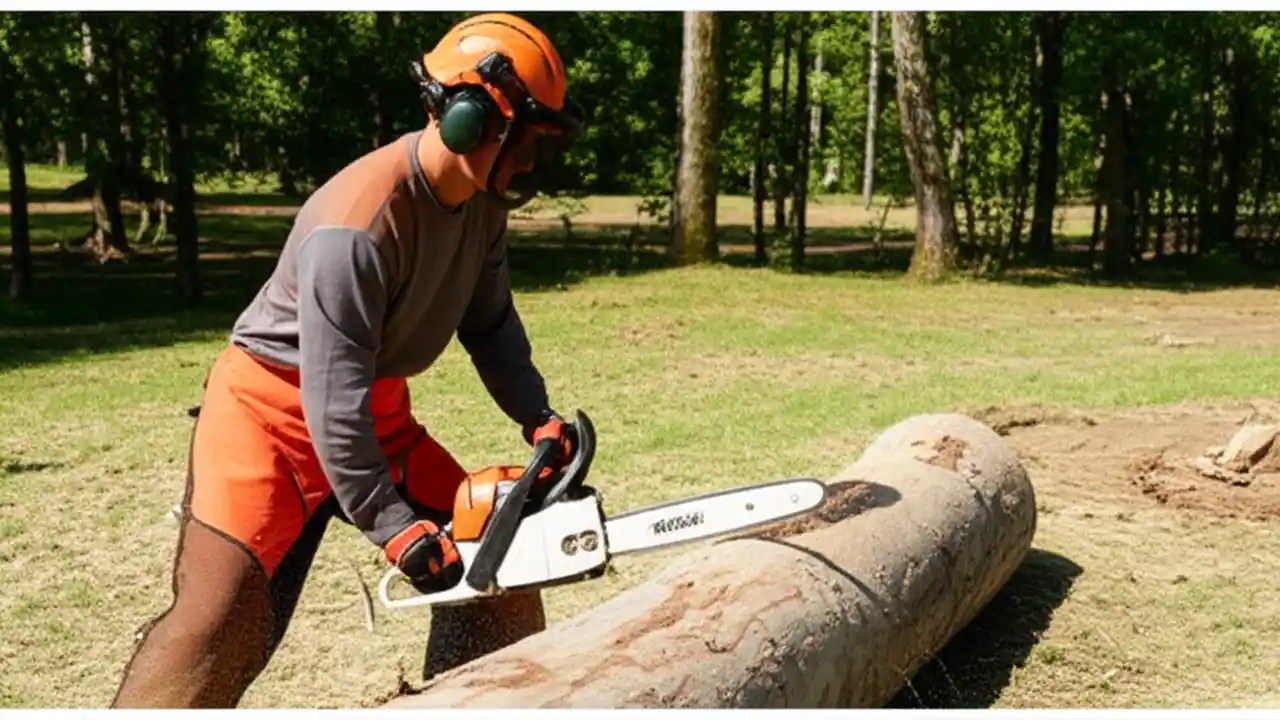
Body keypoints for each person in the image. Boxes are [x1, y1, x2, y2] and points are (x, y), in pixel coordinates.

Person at [112, 13, 585, 708]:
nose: (531, 165)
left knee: (496, 564)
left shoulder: (482, 206)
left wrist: (535, 414)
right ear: (469, 122)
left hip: (377, 416)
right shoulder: (356, 227)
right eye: (528, 142)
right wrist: (393, 529)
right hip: (267, 422)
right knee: (220, 626)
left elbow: (490, 323)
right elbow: (330, 406)